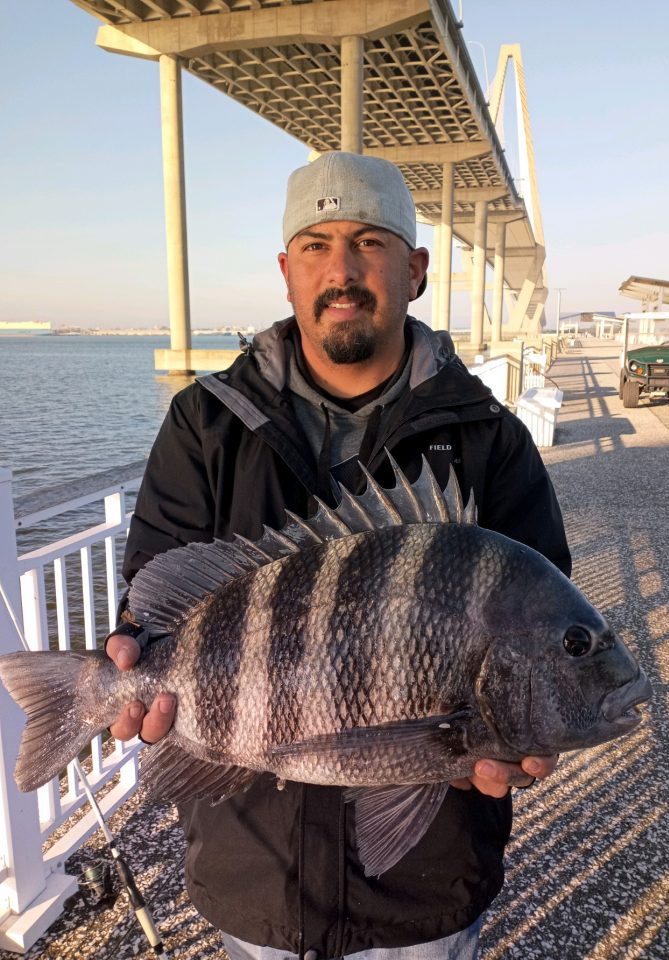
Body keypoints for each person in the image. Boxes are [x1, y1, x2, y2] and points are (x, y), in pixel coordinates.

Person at [106, 152, 570, 960]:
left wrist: (528, 733)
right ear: (286, 273)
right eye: (316, 246)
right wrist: (130, 654)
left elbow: (543, 620)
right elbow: (156, 593)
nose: (343, 270)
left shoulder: (491, 442)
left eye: (371, 242)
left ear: (416, 269)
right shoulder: (204, 425)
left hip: (424, 890)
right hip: (252, 871)